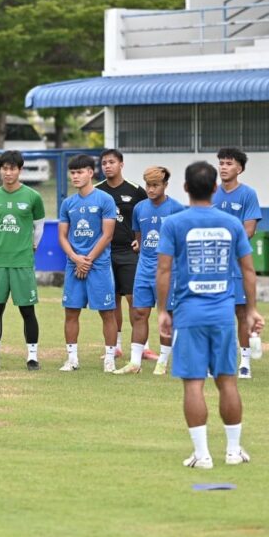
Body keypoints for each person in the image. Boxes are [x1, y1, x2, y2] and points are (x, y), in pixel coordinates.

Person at [157, 161, 262, 469]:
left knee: (193, 384)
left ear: (186, 188)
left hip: (189, 314)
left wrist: (163, 310)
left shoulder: (174, 223)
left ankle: (202, 455)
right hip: (223, 315)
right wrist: (252, 309)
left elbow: (164, 270)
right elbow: (248, 270)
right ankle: (232, 450)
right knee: (227, 382)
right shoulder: (231, 224)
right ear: (215, 188)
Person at [0, 150, 45, 370]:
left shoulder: (33, 197)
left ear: (20, 170)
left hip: (22, 263)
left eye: (12, 168)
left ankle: (32, 357)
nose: (8, 172)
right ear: (0, 169)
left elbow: (39, 226)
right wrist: (2, 244)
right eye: (4, 168)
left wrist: (31, 246)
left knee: (27, 311)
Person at [57, 154, 118, 373]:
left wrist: (89, 260)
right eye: (72, 173)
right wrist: (75, 259)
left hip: (98, 265)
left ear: (91, 173)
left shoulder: (105, 200)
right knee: (71, 312)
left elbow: (107, 235)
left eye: (80, 172)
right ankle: (72, 359)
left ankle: (110, 358)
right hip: (74, 265)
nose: (75, 176)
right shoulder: (68, 203)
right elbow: (63, 236)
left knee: (107, 312)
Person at [125, 165, 183, 376]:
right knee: (139, 313)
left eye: (155, 185)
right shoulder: (140, 208)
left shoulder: (176, 209)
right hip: (144, 268)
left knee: (166, 315)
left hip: (168, 271)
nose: (150, 189)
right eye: (148, 185)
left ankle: (163, 362)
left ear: (165, 185)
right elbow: (138, 239)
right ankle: (134, 362)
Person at [212, 148, 263, 378]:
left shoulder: (248, 194)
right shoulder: (211, 193)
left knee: (241, 313)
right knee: (214, 313)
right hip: (213, 265)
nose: (223, 167)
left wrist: (223, 241)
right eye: (221, 163)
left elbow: (249, 230)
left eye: (229, 163)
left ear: (239, 168)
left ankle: (245, 362)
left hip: (237, 263)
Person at [96, 149, 149, 361]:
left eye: (111, 162)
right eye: (104, 163)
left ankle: (142, 347)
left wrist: (142, 239)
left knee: (134, 298)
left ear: (121, 164)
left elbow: (146, 216)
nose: (107, 166)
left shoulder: (136, 191)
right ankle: (115, 346)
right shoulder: (97, 191)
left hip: (129, 251)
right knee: (112, 299)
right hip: (105, 252)